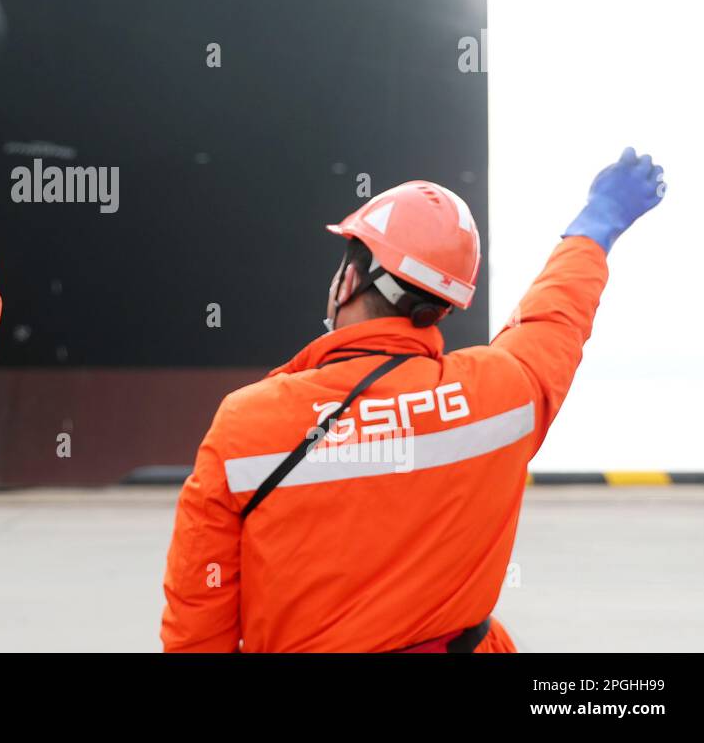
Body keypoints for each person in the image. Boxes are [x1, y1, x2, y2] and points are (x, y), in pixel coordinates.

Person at [161, 148, 665, 652]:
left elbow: (197, 623)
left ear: (350, 279)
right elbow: (554, 319)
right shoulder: (504, 393)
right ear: (443, 304)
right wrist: (595, 226)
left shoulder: (246, 423)